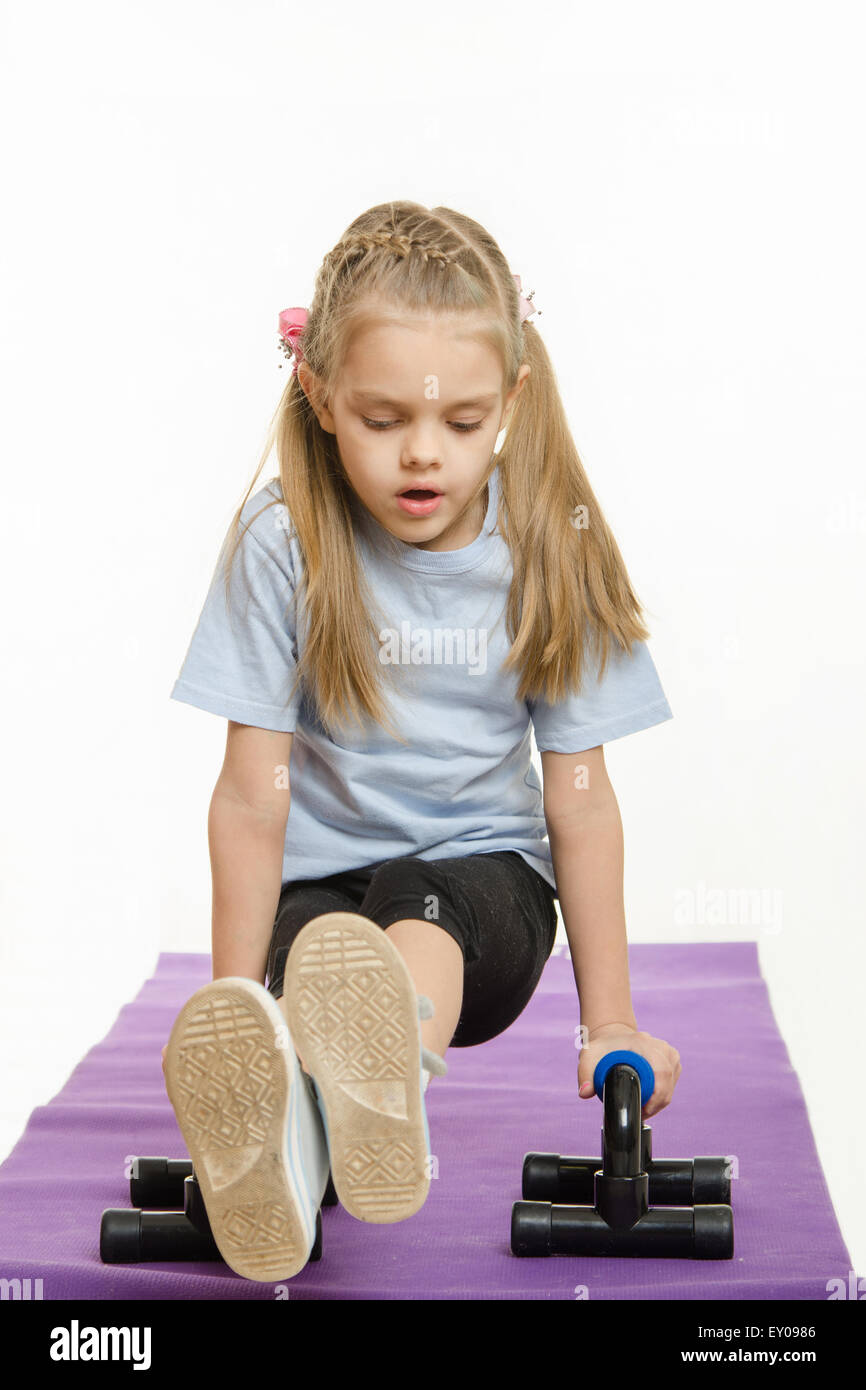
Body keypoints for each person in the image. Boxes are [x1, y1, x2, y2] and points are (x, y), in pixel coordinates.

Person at [161, 200, 681, 1283]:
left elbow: (577, 799)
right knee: (316, 950)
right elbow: (254, 796)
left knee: (419, 897)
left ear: (511, 402)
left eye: (457, 421)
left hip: (478, 901)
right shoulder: (284, 542)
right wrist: (234, 1013)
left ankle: (380, 1071)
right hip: (319, 903)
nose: (421, 454)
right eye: (382, 417)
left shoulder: (549, 544)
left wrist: (611, 1022)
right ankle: (290, 1122)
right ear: (317, 396)